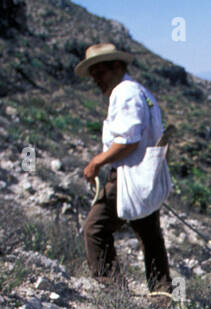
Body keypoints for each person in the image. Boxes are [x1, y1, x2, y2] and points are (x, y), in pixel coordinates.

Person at [75, 43, 172, 294]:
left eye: (100, 72)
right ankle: (162, 293)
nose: (96, 79)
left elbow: (129, 141)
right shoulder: (142, 92)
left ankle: (113, 292)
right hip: (147, 175)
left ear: (117, 66)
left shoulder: (124, 92)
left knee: (95, 229)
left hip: (127, 176)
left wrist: (96, 162)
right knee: (150, 236)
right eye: (93, 73)